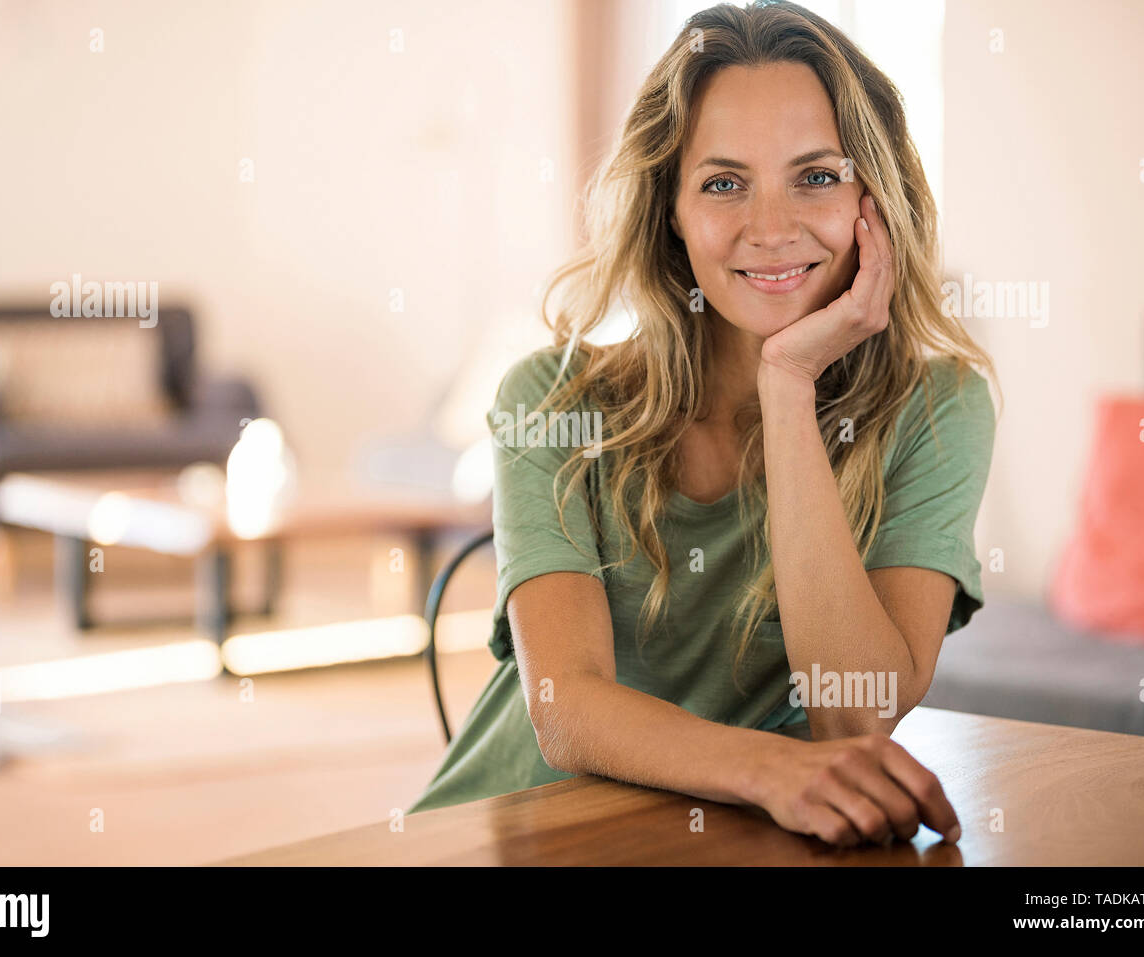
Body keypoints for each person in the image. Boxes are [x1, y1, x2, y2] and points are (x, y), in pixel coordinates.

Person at [408, 0, 1000, 849]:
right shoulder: (551, 401)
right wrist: (768, 768)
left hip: (726, 842)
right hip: (513, 835)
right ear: (671, 214)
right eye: (723, 183)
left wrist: (788, 384)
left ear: (876, 197)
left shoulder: (939, 409)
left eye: (817, 175)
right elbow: (563, 707)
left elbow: (851, 719)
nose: (770, 228)